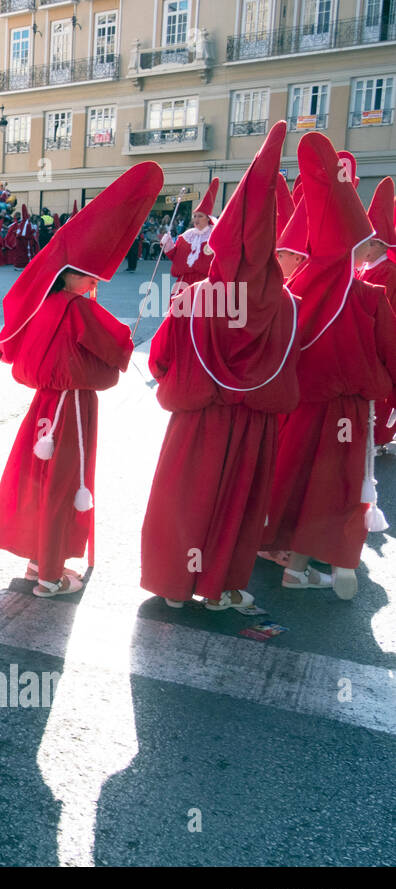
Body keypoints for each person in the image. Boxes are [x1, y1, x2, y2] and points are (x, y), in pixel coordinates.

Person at [140, 121, 301, 612]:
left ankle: (174, 582)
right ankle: (222, 585)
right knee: (237, 503)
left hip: (199, 419)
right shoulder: (288, 306)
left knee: (188, 497)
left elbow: (160, 357)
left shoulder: (195, 297)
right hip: (252, 424)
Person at [0, 161, 163, 596]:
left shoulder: (47, 304)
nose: (96, 280)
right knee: (65, 484)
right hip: (73, 406)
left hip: (45, 405)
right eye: (91, 274)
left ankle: (36, 560)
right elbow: (117, 346)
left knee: (38, 480)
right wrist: (127, 340)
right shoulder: (78, 307)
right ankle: (50, 573)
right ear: (74, 276)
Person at [262, 132, 396, 600]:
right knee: (333, 488)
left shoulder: (297, 290)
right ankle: (313, 558)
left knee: (291, 475)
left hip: (300, 403)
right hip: (349, 409)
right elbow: (393, 351)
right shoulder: (370, 296)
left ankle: (277, 546)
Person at [357, 177, 396, 451]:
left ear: (383, 246)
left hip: (381, 336)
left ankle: (380, 435)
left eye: (371, 245)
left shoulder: (389, 273)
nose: (366, 250)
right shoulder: (362, 270)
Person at [161, 179, 219, 289]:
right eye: (195, 216)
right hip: (184, 282)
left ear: (208, 219)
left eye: (200, 216)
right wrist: (167, 244)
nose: (196, 219)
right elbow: (176, 257)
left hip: (205, 283)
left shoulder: (214, 237)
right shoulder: (187, 236)